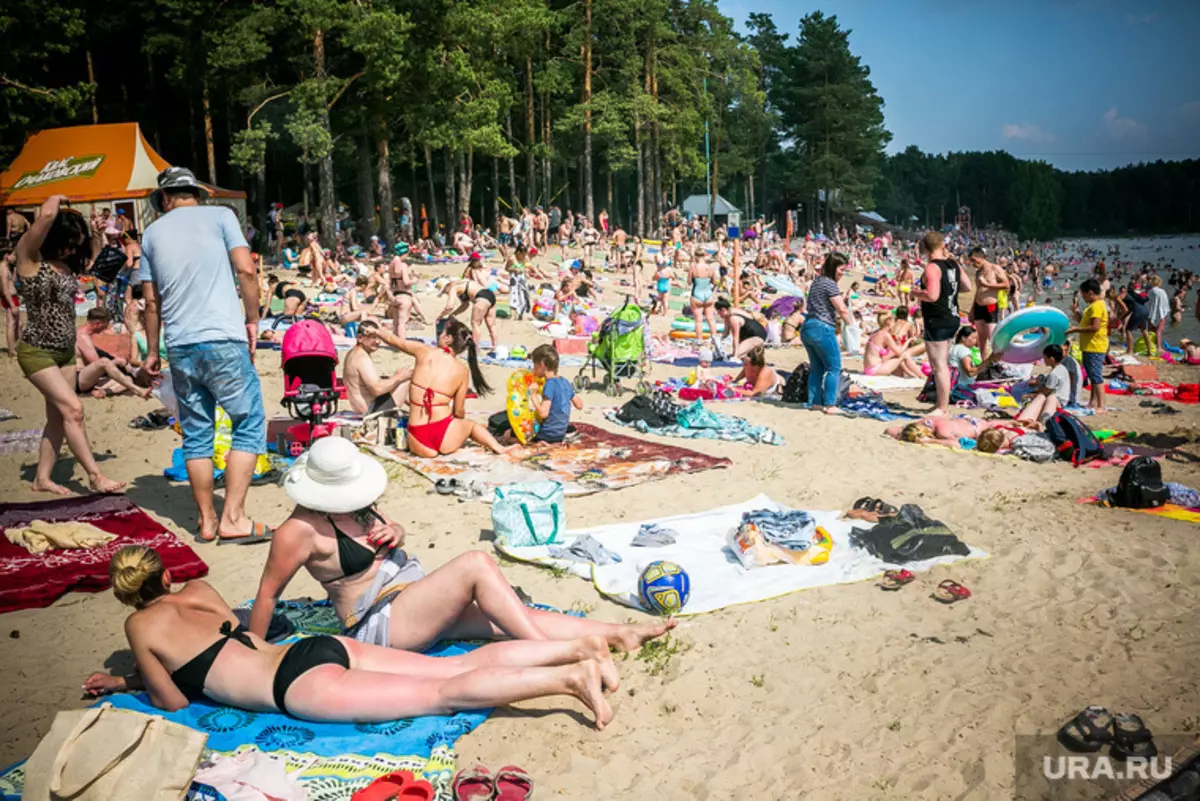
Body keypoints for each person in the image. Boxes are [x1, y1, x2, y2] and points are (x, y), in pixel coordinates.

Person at [83, 545, 619, 729]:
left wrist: (127, 683)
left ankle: (572, 678)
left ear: (125, 595)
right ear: (165, 576)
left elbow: (173, 699)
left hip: (296, 688)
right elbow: (234, 637)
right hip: (313, 650)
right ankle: (576, 648)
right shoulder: (197, 588)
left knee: (443, 696)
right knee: (452, 668)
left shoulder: (139, 626)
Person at [139, 167, 267, 543]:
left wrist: (151, 350)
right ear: (195, 192)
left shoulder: (151, 233)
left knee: (196, 434)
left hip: (179, 345)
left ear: (164, 198)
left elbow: (150, 301)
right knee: (248, 421)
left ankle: (207, 520)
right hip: (222, 336)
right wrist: (253, 319)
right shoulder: (222, 216)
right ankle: (234, 517)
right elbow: (245, 269)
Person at [14, 195, 124, 495]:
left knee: (58, 419)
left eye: (75, 244)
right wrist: (57, 199)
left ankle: (42, 479)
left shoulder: (65, 265)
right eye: (68, 242)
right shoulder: (28, 259)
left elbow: (94, 259)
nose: (72, 249)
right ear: (52, 238)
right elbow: (47, 215)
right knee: (74, 409)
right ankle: (95, 476)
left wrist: (96, 233)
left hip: (64, 351)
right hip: (37, 351)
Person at [387, 319, 513, 456]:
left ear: (448, 339)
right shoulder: (462, 370)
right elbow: (458, 411)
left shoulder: (425, 351)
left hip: (418, 441)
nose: (439, 336)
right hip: (445, 437)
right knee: (471, 426)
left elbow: (395, 341)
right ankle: (500, 449)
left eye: (442, 334)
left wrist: (376, 331)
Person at [911, 232, 972, 416]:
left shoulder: (932, 267)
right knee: (942, 363)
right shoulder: (953, 264)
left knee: (939, 366)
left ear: (926, 249)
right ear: (942, 246)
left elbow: (932, 295)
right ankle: (941, 403)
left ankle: (942, 407)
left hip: (937, 318)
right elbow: (967, 287)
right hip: (953, 317)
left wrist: (915, 293)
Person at [799, 252, 855, 413]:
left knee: (817, 368)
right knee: (834, 368)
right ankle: (830, 405)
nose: (842, 274)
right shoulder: (830, 284)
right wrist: (852, 327)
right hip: (822, 328)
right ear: (833, 267)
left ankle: (815, 403)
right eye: (841, 269)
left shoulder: (817, 282)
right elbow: (842, 309)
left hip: (808, 326)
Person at [74, 308, 153, 399]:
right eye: (106, 324)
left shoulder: (85, 334)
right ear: (97, 324)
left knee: (127, 380)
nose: (107, 327)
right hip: (80, 379)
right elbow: (97, 363)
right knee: (105, 362)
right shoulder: (82, 336)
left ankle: (101, 392)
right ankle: (139, 390)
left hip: (90, 379)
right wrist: (116, 361)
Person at [343, 320, 412, 415]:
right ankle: (419, 411)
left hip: (362, 407)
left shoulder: (352, 353)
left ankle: (415, 407)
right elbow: (377, 389)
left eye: (379, 338)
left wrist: (394, 378)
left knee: (394, 379)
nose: (377, 341)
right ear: (360, 338)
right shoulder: (362, 358)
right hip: (371, 411)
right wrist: (399, 377)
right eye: (372, 338)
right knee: (406, 377)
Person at [1066, 278, 1108, 412]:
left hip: (1095, 345)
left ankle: (1101, 406)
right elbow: (1084, 322)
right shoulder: (1093, 305)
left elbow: (1094, 327)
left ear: (1090, 293)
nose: (1083, 298)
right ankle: (1092, 402)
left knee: (1096, 376)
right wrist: (1076, 312)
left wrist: (1075, 330)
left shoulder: (1097, 305)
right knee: (1092, 375)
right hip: (1090, 345)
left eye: (1084, 295)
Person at [968, 247, 1007, 361]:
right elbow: (978, 291)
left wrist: (988, 285)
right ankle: (984, 363)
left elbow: (1006, 284)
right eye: (971, 261)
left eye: (975, 260)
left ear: (981, 257)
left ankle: (999, 362)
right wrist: (972, 310)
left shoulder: (994, 268)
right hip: (978, 306)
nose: (973, 264)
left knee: (992, 337)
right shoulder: (978, 272)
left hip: (991, 306)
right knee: (981, 338)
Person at [862, 313, 923, 378]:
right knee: (904, 355)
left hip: (868, 369)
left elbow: (886, 354)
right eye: (894, 322)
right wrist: (908, 341)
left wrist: (897, 342)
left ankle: (910, 375)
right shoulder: (885, 335)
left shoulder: (875, 333)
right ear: (889, 322)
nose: (895, 324)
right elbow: (900, 352)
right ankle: (922, 376)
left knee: (896, 357)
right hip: (875, 369)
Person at [387, 252, 427, 336]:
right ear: (404, 253)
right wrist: (415, 280)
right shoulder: (403, 265)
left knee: (396, 323)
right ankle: (401, 344)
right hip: (404, 295)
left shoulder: (391, 265)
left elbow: (390, 284)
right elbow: (406, 282)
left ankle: (395, 343)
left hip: (395, 295)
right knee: (402, 323)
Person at [949, 326, 982, 394]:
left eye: (976, 338)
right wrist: (986, 363)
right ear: (963, 338)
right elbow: (969, 371)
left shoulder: (953, 348)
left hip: (954, 385)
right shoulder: (963, 350)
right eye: (973, 338)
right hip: (963, 387)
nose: (975, 341)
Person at [0, 249, 20, 357]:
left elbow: (12, 282)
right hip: (10, 298)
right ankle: (11, 350)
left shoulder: (7, 268)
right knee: (11, 324)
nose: (15, 258)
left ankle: (15, 347)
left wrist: (15, 270)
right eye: (13, 255)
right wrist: (12, 304)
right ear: (6, 256)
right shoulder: (2, 268)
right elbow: (5, 289)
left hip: (13, 297)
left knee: (17, 324)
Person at [1147, 275, 1170, 358]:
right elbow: (1165, 303)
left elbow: (1148, 303)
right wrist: (1165, 312)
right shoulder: (1162, 291)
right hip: (1161, 313)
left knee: (1150, 331)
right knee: (1159, 331)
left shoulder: (1150, 291)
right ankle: (1159, 347)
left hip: (1151, 313)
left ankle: (1150, 346)